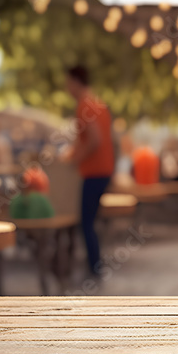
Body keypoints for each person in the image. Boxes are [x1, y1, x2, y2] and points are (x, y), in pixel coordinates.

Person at [61, 65, 114, 278]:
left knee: (86, 222)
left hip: (94, 172)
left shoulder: (85, 105)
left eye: (68, 83)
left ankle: (95, 267)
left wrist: (76, 159)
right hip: (104, 170)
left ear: (75, 82)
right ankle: (93, 265)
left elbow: (95, 139)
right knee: (90, 221)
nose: (67, 88)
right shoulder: (98, 103)